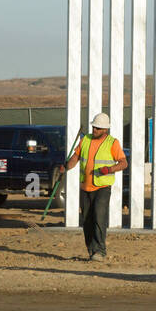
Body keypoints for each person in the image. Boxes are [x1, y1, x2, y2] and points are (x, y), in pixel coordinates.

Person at [64, 112, 128, 261]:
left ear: (105, 129)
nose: (95, 130)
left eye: (98, 128)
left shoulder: (113, 143)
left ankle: (100, 251)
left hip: (102, 187)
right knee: (87, 220)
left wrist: (109, 169)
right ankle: (91, 250)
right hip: (85, 187)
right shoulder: (85, 140)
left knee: (99, 217)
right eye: (94, 127)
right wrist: (66, 167)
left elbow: (124, 163)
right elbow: (75, 157)